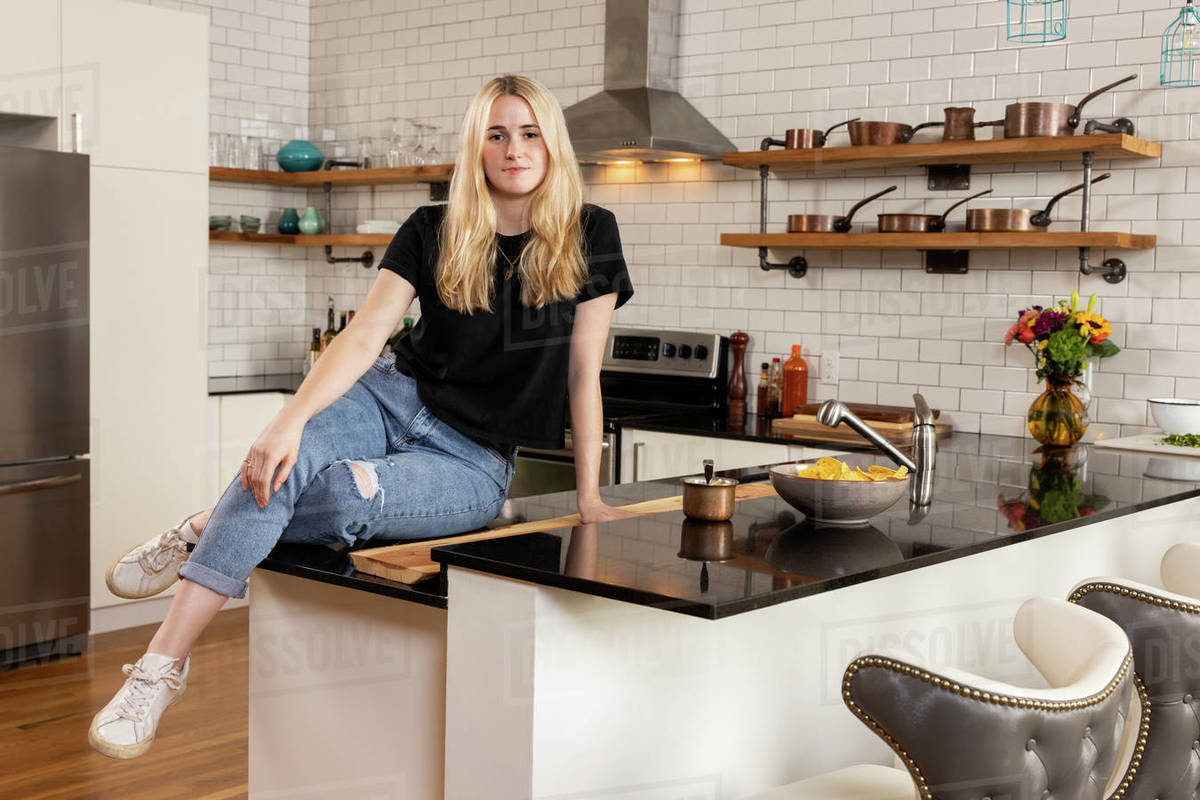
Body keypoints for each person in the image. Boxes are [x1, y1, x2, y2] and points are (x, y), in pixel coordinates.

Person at [89, 74, 635, 759]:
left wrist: (589, 494)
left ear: (551, 143)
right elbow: (363, 335)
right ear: (477, 147)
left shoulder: (593, 234)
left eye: (528, 133)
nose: (514, 149)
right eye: (496, 134)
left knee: (345, 495)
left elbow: (585, 374)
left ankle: (204, 527)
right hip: (389, 397)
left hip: (472, 460)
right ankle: (158, 670)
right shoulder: (435, 225)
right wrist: (288, 421)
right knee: (282, 463)